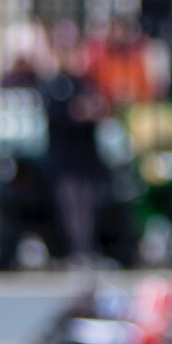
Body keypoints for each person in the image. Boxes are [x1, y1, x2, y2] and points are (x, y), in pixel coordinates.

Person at [41, 35, 111, 267]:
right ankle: (75, 251)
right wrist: (78, 113)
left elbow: (99, 107)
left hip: (86, 158)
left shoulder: (85, 83)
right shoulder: (54, 85)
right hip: (65, 159)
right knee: (71, 208)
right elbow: (61, 115)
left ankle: (88, 249)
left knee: (88, 206)